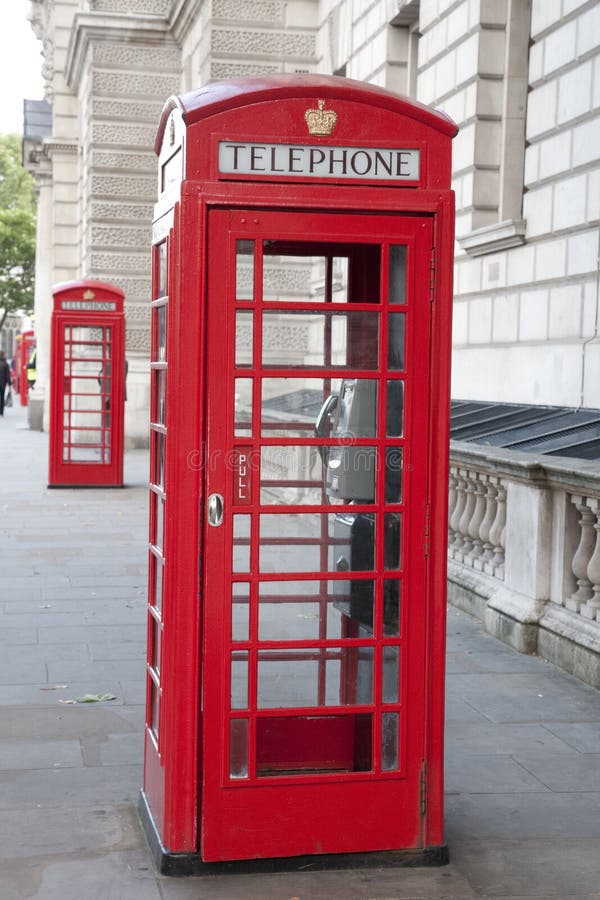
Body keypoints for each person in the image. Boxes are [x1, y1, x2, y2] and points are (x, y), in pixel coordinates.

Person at [0, 351, 12, 416]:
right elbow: (8, 375)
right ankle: (1, 412)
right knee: (2, 397)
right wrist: (9, 383)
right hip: (2, 384)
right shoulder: (5, 364)